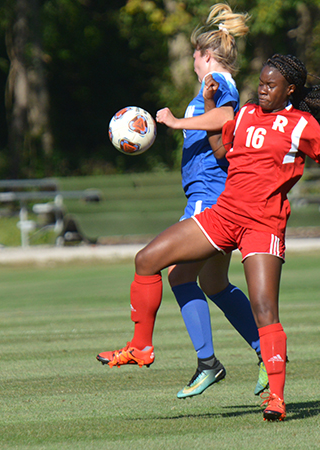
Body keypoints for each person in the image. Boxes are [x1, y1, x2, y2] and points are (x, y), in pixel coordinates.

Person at [102, 53, 320, 421]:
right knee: (146, 260)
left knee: (264, 308)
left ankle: (276, 399)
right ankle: (141, 347)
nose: (263, 90)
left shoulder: (301, 125)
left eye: (271, 85)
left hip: (263, 225)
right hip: (223, 216)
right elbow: (221, 151)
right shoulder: (247, 115)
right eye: (261, 83)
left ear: (290, 89)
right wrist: (211, 104)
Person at [96, 4, 267, 399]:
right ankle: (262, 352)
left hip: (210, 200)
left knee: (151, 263)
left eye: (194, 53)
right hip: (213, 198)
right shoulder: (212, 86)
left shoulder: (217, 82)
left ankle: (144, 347)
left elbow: (224, 118)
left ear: (205, 55)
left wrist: (176, 122)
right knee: (211, 282)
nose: (192, 59)